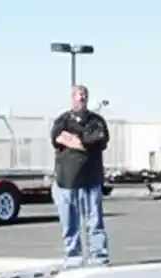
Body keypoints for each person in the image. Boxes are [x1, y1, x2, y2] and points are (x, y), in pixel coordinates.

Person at [50, 85, 111, 267]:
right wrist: (83, 141)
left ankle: (99, 257)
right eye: (78, 96)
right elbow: (57, 138)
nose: (81, 99)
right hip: (66, 181)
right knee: (69, 224)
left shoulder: (97, 121)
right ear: (72, 98)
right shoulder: (62, 120)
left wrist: (77, 140)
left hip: (91, 180)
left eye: (84, 96)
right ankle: (73, 257)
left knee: (95, 223)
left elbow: (99, 139)